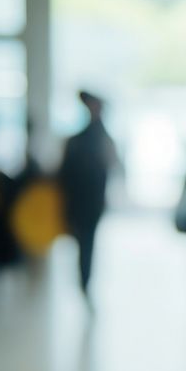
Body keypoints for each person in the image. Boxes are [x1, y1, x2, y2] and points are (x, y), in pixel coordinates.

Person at [57, 91, 117, 298]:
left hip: (92, 201)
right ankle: (83, 280)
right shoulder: (79, 140)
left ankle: (85, 281)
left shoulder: (102, 138)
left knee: (87, 242)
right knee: (83, 241)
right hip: (78, 200)